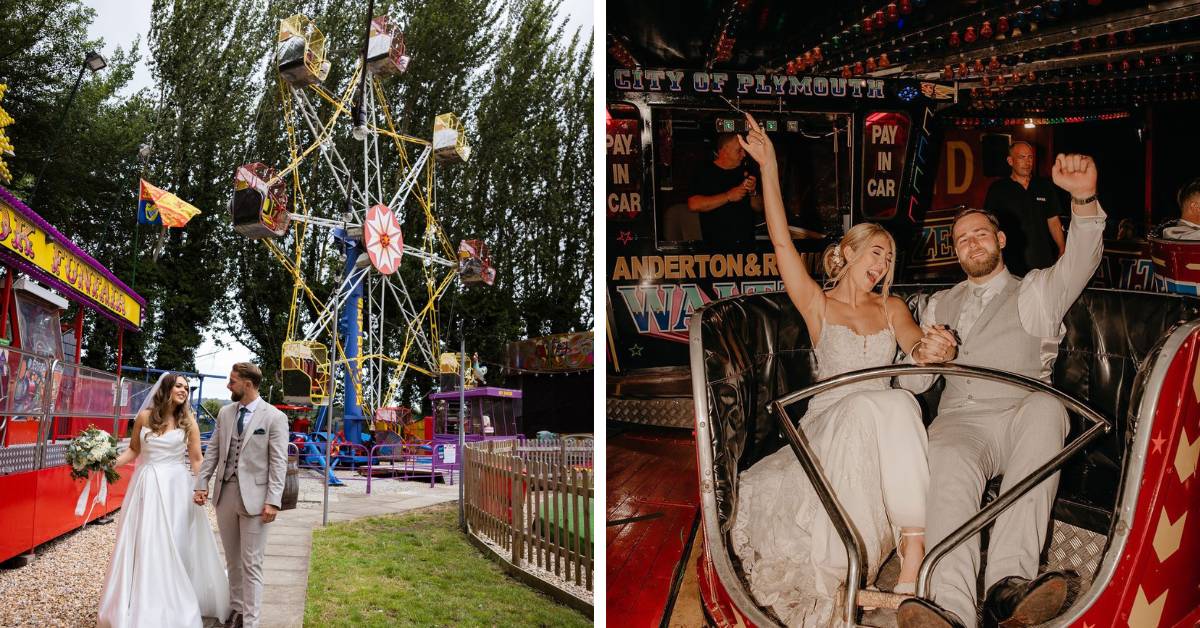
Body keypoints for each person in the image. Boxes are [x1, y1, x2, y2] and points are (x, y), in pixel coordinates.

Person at [730, 113, 958, 626]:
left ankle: (913, 557)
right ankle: (848, 573)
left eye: (888, 259)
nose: (880, 265)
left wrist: (934, 351)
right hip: (829, 422)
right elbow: (782, 243)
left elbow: (918, 352)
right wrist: (768, 167)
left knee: (895, 399)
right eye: (875, 253)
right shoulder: (817, 303)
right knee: (879, 403)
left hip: (881, 423)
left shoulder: (892, 308)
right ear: (847, 254)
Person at [896, 154, 1105, 628]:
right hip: (960, 422)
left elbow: (1081, 260)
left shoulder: (1035, 290)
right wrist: (923, 357)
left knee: (1048, 409)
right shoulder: (937, 304)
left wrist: (1084, 200)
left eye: (981, 233)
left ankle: (1008, 589)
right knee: (945, 453)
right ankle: (950, 607)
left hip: (1019, 414)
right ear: (955, 251)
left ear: (1001, 240)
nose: (972, 243)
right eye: (962, 239)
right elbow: (910, 385)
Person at [97, 372, 231, 627]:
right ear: (166, 389)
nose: (184, 390)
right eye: (179, 386)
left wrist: (201, 487)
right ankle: (142, 597)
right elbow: (134, 450)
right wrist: (107, 464)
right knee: (145, 541)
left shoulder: (188, 421)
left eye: (187, 388)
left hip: (176, 488)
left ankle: (173, 595)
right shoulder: (145, 417)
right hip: (146, 486)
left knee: (175, 541)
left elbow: (196, 459)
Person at [194, 363, 289, 628]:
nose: (228, 385)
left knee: (252, 563)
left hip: (257, 501)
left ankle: (251, 622)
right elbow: (212, 452)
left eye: (232, 381)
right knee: (233, 560)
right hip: (225, 495)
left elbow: (279, 462)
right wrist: (201, 484)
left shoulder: (274, 417)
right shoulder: (225, 413)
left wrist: (273, 500)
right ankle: (237, 611)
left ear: (247, 384)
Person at [983, 141, 1067, 275]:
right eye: (1022, 157)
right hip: (1011, 261)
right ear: (1010, 161)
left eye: (1030, 157)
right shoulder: (998, 189)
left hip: (1043, 259)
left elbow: (1053, 221)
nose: (1027, 162)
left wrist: (1062, 248)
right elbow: (989, 225)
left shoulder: (1044, 186)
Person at [687, 132, 764, 246]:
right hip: (716, 245)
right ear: (724, 150)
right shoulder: (704, 172)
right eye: (739, 150)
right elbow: (694, 204)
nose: (743, 155)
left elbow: (759, 207)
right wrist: (728, 196)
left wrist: (753, 192)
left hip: (747, 244)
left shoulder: (748, 171)